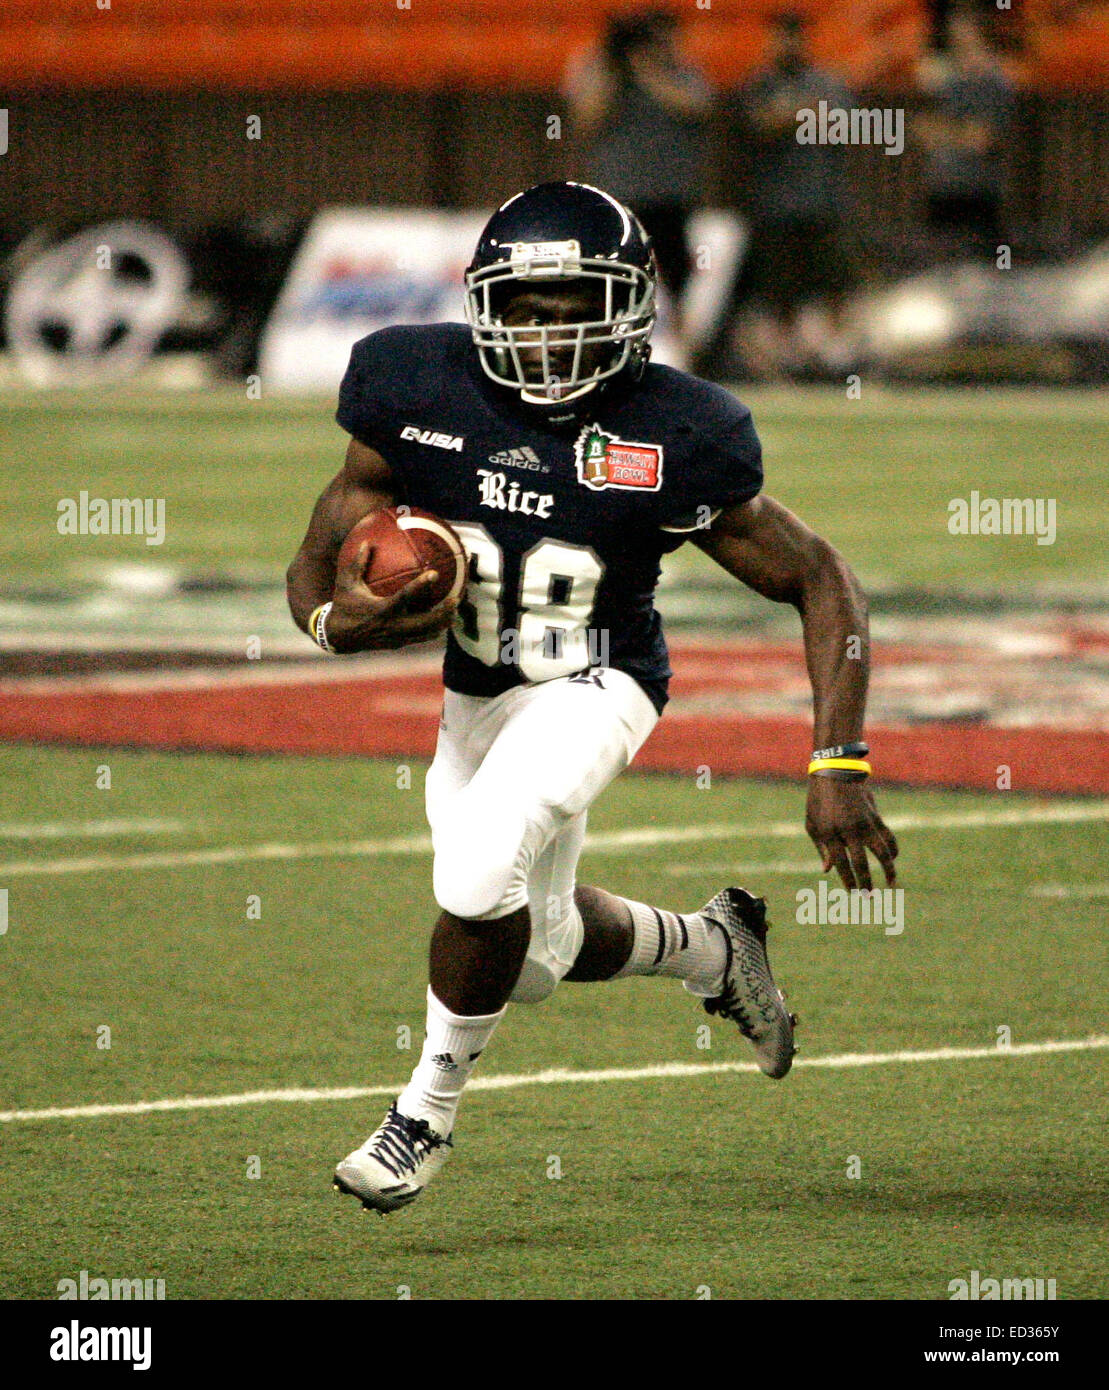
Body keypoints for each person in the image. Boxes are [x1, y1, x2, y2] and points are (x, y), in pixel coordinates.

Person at [286, 181, 898, 1214]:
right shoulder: (409, 382)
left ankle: (422, 1114)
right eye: (524, 308)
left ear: (627, 306)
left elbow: (818, 576)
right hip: (477, 695)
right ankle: (711, 945)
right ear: (482, 302)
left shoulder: (677, 427)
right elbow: (318, 550)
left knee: (478, 869)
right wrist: (331, 624)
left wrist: (837, 758)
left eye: (573, 306)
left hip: (599, 678)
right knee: (532, 950)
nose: (547, 333)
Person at [696, 11, 857, 380]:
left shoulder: (828, 82)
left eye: (793, 37)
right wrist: (798, 114)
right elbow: (758, 124)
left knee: (831, 288)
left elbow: (842, 125)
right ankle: (785, 365)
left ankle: (830, 361)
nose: (788, 45)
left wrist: (793, 115)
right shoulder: (758, 84)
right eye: (781, 37)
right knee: (777, 295)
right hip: (774, 209)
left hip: (821, 205)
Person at [565, 10, 711, 349]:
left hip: (670, 193)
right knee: (609, 276)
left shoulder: (682, 72)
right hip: (618, 195)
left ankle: (685, 350)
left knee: (678, 277)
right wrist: (616, 72)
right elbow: (586, 118)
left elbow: (697, 107)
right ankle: (603, 345)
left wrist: (648, 72)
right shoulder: (600, 71)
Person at [915, 6, 1015, 254]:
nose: (960, 49)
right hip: (942, 188)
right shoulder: (950, 85)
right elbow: (921, 131)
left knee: (977, 274)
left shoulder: (994, 84)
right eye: (956, 43)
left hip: (976, 193)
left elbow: (980, 140)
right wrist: (952, 133)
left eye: (967, 42)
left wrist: (943, 132)